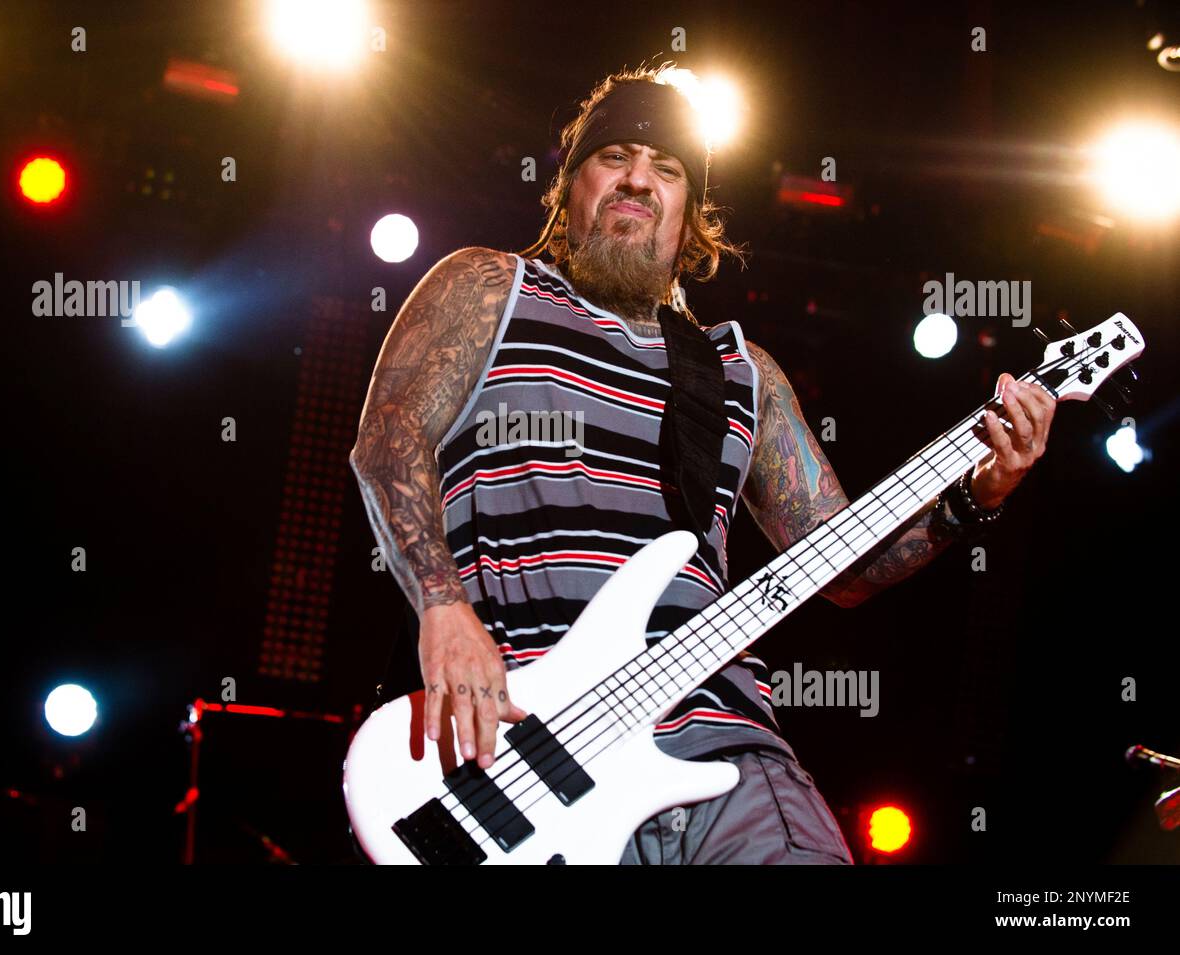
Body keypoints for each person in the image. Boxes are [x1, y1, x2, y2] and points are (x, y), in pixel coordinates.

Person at [348, 63, 1056, 864]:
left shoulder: (740, 370)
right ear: (569, 188)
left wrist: (976, 494)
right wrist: (442, 607)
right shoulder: (488, 288)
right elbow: (388, 439)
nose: (639, 180)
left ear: (690, 218)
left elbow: (845, 563)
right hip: (528, 753)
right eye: (614, 157)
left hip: (727, 751)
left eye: (668, 169)